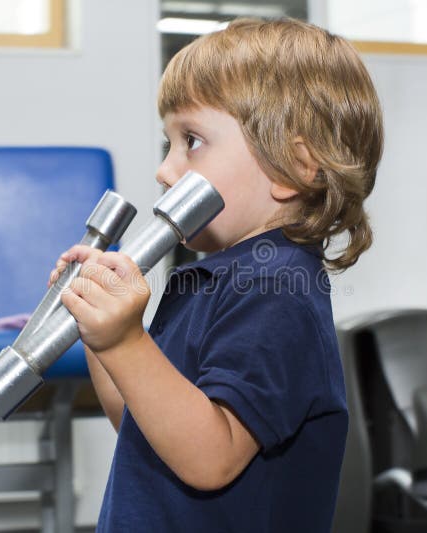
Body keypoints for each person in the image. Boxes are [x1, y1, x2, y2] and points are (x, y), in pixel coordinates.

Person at [49, 17, 383, 532]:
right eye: (168, 145)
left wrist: (126, 342)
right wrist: (99, 333)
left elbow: (210, 456)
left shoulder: (274, 291)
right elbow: (139, 423)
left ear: (294, 167)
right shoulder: (209, 280)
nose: (165, 169)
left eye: (192, 140)